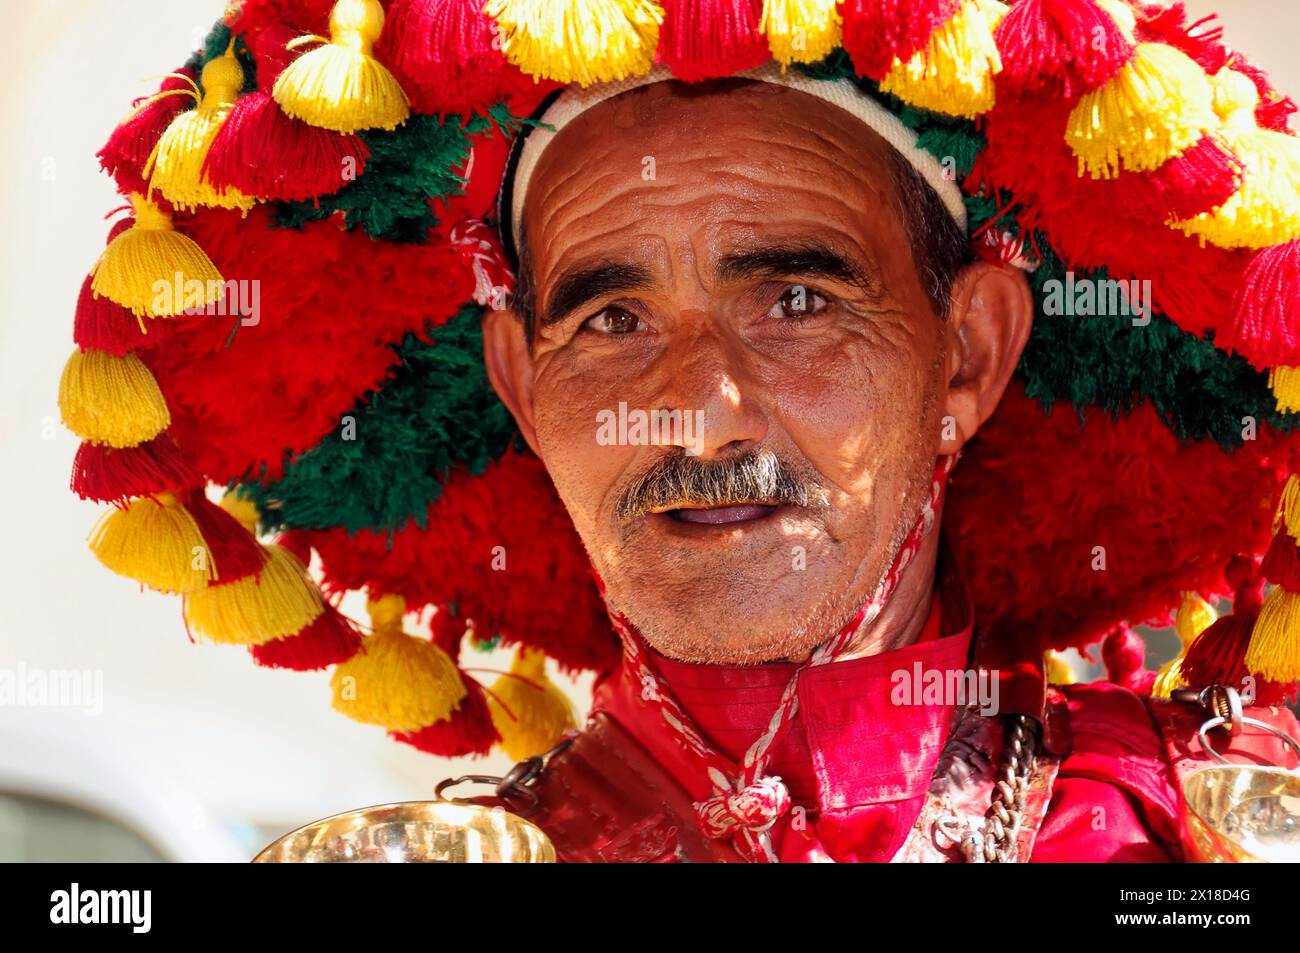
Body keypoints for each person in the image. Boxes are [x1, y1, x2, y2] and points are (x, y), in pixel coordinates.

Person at [64, 0, 1300, 862]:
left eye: (799, 302)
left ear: (966, 354)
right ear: (518, 386)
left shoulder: (1190, 838)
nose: (701, 411)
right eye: (610, 321)